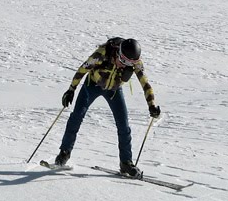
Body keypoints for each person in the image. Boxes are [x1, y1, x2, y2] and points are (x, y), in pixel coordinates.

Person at [52, 37, 161, 178]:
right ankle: (64, 153)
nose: (125, 65)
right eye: (124, 61)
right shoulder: (102, 53)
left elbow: (145, 83)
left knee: (123, 125)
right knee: (76, 117)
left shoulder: (135, 62)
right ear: (119, 54)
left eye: (130, 64)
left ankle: (126, 163)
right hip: (92, 85)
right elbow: (83, 69)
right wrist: (71, 89)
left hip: (114, 91)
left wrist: (152, 105)